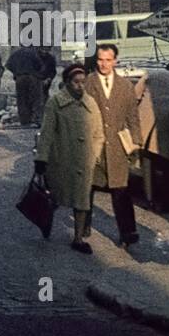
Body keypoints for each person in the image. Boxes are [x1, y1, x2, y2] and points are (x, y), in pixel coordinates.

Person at [35, 64, 105, 254]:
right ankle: (45, 223)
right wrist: (41, 158)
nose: (80, 86)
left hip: (84, 162)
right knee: (54, 198)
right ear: (67, 82)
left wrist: (94, 154)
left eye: (83, 82)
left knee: (82, 201)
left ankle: (78, 238)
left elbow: (99, 133)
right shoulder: (55, 103)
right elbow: (47, 133)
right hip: (61, 159)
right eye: (76, 82)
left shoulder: (91, 103)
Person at [83, 43, 142, 249]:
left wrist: (136, 142)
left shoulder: (125, 86)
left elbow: (133, 117)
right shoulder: (88, 83)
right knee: (87, 188)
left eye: (108, 60)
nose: (104, 64)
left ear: (115, 61)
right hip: (93, 145)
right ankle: (83, 226)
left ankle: (127, 233)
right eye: (100, 59)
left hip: (117, 147)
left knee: (121, 191)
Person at [5, 42, 44, 127]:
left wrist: (16, 72)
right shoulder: (33, 53)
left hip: (20, 78)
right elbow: (40, 65)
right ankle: (34, 119)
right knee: (34, 98)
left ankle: (24, 120)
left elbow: (8, 65)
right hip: (32, 77)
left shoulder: (16, 54)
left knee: (21, 99)